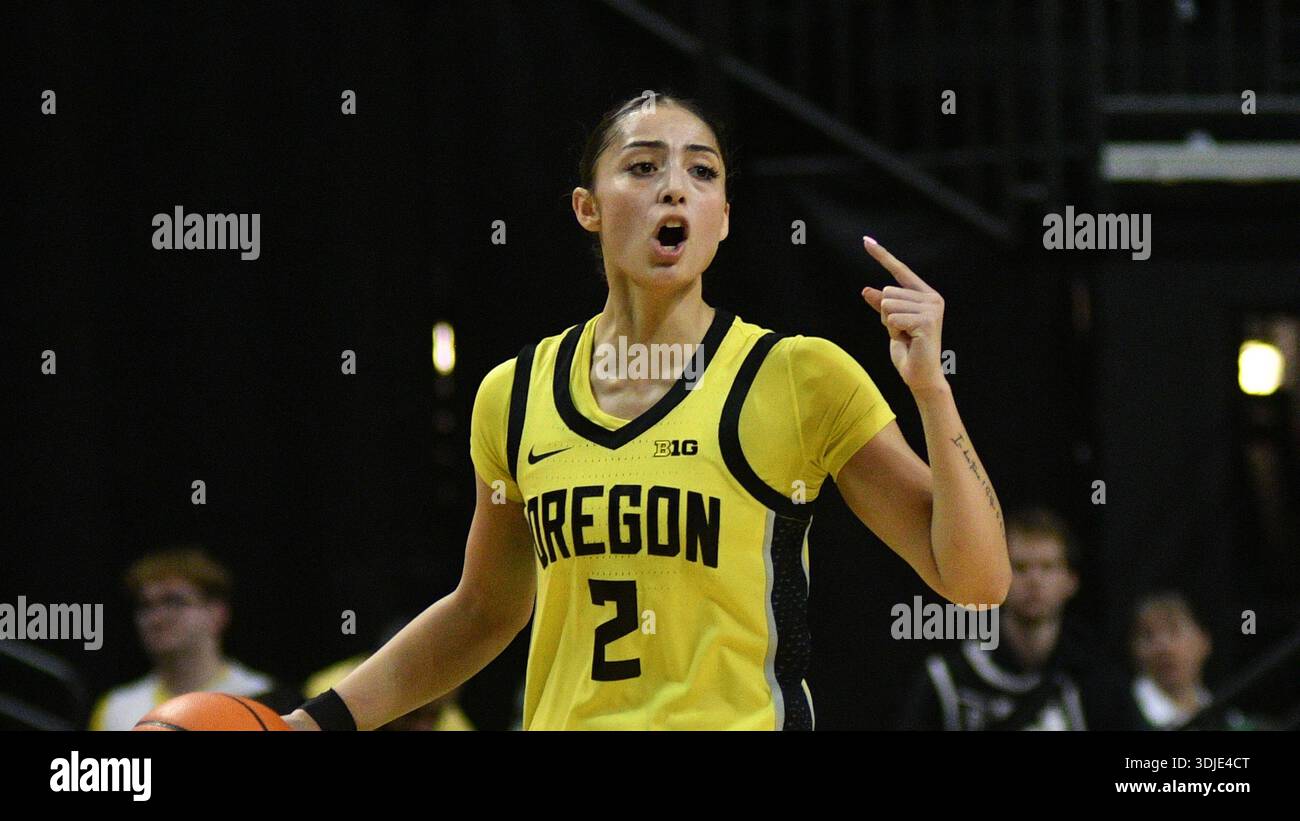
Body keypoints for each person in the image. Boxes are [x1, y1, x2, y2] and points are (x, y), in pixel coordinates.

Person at [286, 90, 1010, 731]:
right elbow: (482, 611)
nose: (675, 189)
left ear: (722, 218)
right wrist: (309, 725)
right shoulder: (512, 392)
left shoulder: (796, 375)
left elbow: (976, 582)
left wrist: (931, 390)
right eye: (643, 167)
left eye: (702, 172)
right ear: (587, 208)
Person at [898, 508, 1136, 730]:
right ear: (995, 577)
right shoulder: (949, 679)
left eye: (1048, 567)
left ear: (1071, 581)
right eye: (1020, 567)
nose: (1035, 581)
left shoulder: (1099, 680)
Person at [89, 546, 296, 730]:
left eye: (174, 601)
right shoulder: (116, 708)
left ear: (217, 613)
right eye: (146, 605)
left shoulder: (264, 697)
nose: (157, 618)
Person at [1129, 591, 1264, 730]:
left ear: (1204, 641)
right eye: (1147, 636)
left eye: (1174, 631)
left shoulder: (1229, 719)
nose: (1163, 648)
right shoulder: (1122, 715)